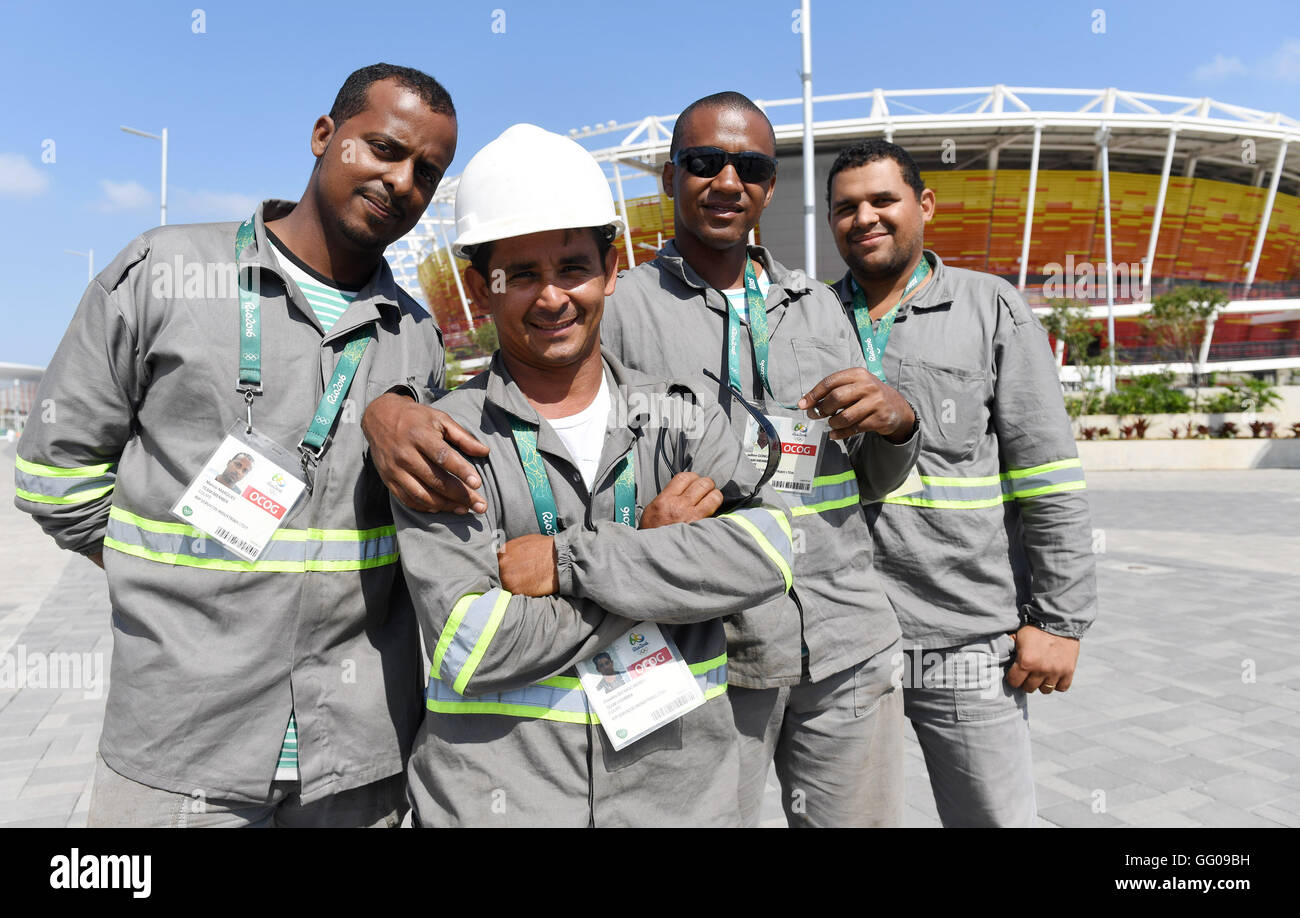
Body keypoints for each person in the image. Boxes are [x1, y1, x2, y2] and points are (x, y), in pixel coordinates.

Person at [14, 63, 473, 827]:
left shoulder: (415, 335)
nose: (401, 181)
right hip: (181, 747)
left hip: (356, 761)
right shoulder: (164, 273)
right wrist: (166, 583)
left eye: (427, 172)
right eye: (383, 149)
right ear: (325, 136)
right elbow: (52, 472)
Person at [390, 123, 795, 827]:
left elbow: (768, 553)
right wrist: (658, 551)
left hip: (679, 800)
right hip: (504, 801)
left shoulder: (684, 413)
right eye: (521, 275)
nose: (551, 298)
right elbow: (475, 643)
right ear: (484, 288)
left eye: (572, 268)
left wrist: (573, 560)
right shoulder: (448, 438)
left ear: (610, 271)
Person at [600, 93, 922, 828]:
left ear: (769, 187)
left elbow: (869, 477)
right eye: (704, 162)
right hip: (712, 648)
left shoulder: (816, 306)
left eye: (749, 167)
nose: (727, 182)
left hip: (845, 640)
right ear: (669, 177)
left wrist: (898, 424)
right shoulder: (618, 311)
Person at [824, 138, 1098, 827]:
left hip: (966, 643)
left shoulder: (990, 307)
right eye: (846, 208)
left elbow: (1049, 475)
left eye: (883, 200)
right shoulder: (810, 319)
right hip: (844, 641)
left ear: (925, 204)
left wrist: (1059, 623)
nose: (865, 218)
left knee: (994, 819)